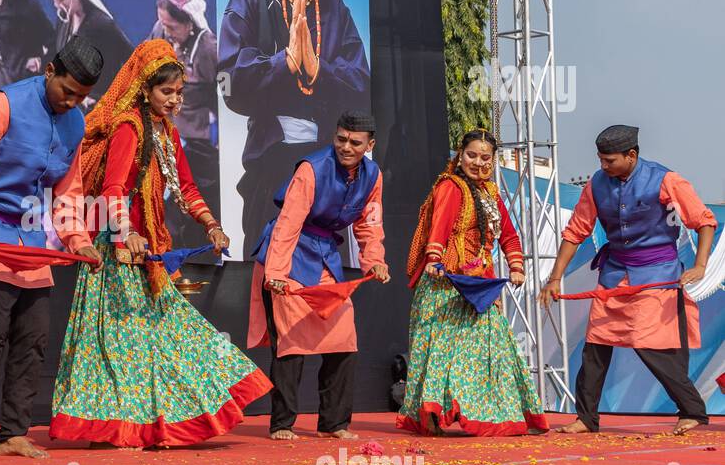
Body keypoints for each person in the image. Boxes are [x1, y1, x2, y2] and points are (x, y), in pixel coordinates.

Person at [49, 39, 272, 448]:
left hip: (144, 249)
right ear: (145, 90)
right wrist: (125, 233)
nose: (174, 100)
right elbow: (114, 188)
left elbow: (186, 187)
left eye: (179, 93)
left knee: (162, 337)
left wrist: (212, 227)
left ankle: (148, 423)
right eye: (166, 92)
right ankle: (120, 426)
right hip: (118, 251)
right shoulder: (129, 128)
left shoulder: (166, 132)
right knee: (118, 345)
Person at [0, 36, 105, 459]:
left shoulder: (76, 123)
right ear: (50, 71)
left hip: (33, 238)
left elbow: (68, 191)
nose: (71, 103)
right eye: (67, 92)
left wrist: (79, 241)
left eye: (81, 97)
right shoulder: (3, 104)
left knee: (34, 336)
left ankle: (13, 432)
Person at [218, 0, 369, 250]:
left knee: (320, 281)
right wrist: (283, 63)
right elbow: (230, 80)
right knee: (270, 279)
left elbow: (363, 91)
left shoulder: (335, 10)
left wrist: (318, 70)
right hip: (269, 171)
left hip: (327, 173)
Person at [542, 125, 716, 435]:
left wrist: (700, 265)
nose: (602, 167)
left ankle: (692, 411)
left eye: (609, 160)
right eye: (600, 160)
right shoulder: (596, 184)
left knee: (649, 344)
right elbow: (575, 231)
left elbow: (704, 221)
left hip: (656, 276)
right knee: (595, 345)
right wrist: (555, 277)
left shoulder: (665, 180)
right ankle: (586, 418)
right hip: (614, 275)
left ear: (631, 155)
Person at [248, 111, 388, 440]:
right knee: (292, 344)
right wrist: (277, 272)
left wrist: (375, 261)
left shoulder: (373, 175)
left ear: (370, 144)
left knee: (343, 340)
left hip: (325, 259)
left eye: (355, 142)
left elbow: (369, 225)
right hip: (291, 256)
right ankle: (282, 423)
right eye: (341, 139)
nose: (346, 147)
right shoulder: (312, 169)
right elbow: (288, 223)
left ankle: (334, 423)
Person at [396, 130, 547, 436]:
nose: (478, 162)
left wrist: (516, 266)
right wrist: (435, 260)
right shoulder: (451, 187)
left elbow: (507, 234)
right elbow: (439, 226)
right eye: (472, 155)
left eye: (485, 157)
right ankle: (434, 414)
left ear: (493, 160)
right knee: (442, 353)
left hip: (480, 286)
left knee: (492, 352)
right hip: (447, 285)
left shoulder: (490, 193)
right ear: (460, 155)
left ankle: (487, 412)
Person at [150, 0, 219, 249]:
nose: (166, 32)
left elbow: (225, 100)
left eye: (172, 27)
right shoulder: (160, 30)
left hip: (199, 148)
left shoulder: (208, 49)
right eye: (163, 24)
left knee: (189, 209)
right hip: (164, 138)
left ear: (190, 22)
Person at [42, 0, 133, 107]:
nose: (56, 5)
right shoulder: (64, 19)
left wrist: (101, 99)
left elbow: (132, 61)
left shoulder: (101, 25)